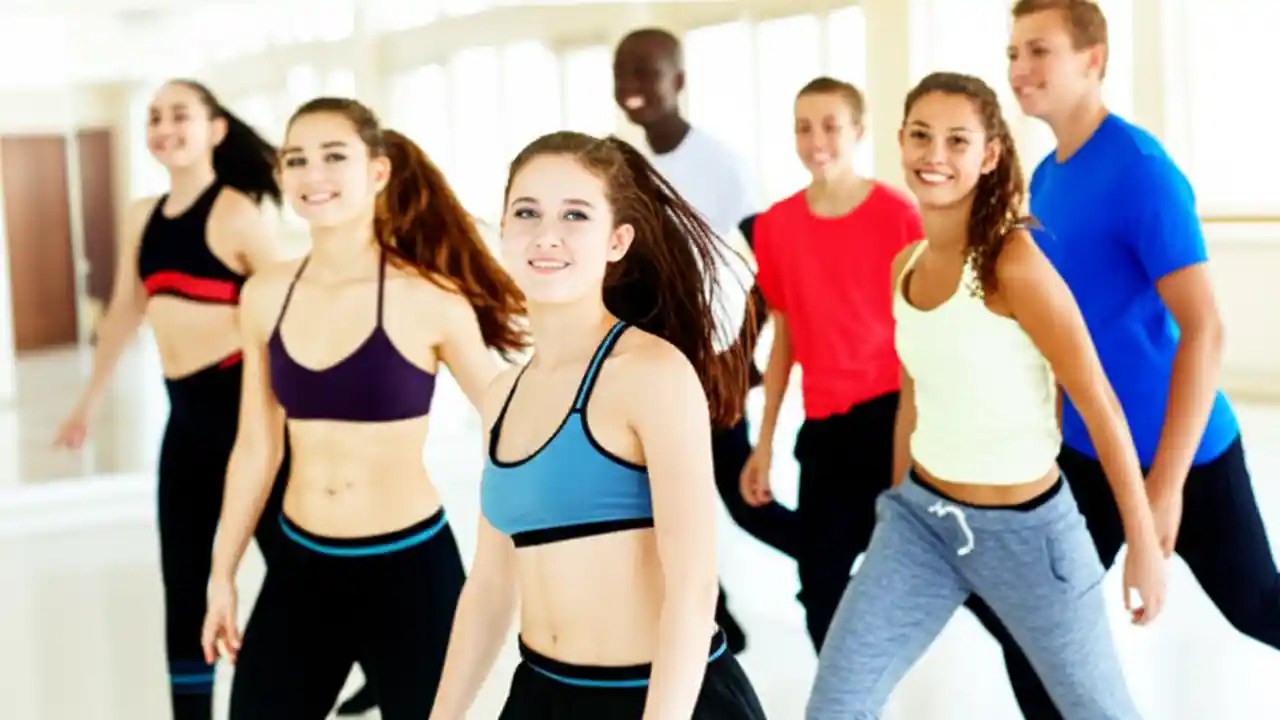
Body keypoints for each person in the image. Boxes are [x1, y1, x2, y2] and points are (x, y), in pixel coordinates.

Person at [805, 70, 1167, 720]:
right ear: (900, 142)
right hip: (921, 522)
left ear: (989, 154)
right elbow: (912, 400)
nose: (934, 155)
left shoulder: (1014, 262)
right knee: (836, 704)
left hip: (1030, 536)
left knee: (1099, 711)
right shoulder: (905, 266)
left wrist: (1142, 544)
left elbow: (1097, 401)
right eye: (920, 136)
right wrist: (895, 504)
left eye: (956, 140)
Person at [965, 2, 1280, 716]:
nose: (1018, 69)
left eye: (1038, 51)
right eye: (1013, 51)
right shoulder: (1045, 178)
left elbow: (1206, 331)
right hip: (1086, 453)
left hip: (1185, 453)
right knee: (1034, 623)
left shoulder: (1141, 171)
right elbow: (1065, 327)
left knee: (1258, 606)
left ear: (1093, 58)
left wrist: (1164, 488)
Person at [198, 97, 527, 719]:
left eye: (333, 156)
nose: (312, 174)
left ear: (377, 172)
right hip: (301, 567)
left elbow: (507, 424)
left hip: (410, 571)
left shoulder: (429, 297)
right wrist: (223, 572)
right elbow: (257, 446)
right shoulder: (266, 295)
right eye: (296, 159)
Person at [427, 131, 766, 719]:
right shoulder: (503, 396)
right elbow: (489, 586)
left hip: (663, 699)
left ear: (617, 241)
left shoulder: (652, 374)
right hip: (543, 693)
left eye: (575, 215)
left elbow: (693, 591)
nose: (546, 234)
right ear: (503, 229)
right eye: (526, 212)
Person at [52, 78, 289, 720]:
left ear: (215, 129)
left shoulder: (238, 213)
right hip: (184, 419)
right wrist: (87, 403)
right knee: (183, 583)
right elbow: (128, 307)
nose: (165, 126)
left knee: (298, 571)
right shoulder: (142, 214)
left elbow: (288, 317)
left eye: (180, 114)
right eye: (154, 117)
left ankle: (366, 656)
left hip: (248, 422)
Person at [614, 26, 797, 653]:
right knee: (657, 503)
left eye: (646, 72)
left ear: (679, 81)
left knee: (739, 500)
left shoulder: (718, 163)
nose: (632, 87)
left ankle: (837, 554)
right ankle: (720, 621)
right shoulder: (621, 167)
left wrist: (740, 351)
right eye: (622, 74)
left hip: (705, 366)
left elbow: (771, 266)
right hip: (645, 364)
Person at [740, 76, 924, 651]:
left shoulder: (899, 215)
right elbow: (786, 339)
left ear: (859, 132)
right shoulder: (775, 227)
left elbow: (923, 337)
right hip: (824, 431)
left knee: (923, 576)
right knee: (820, 587)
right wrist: (764, 443)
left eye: (830, 126)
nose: (815, 139)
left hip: (894, 418)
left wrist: (908, 455)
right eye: (803, 126)